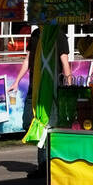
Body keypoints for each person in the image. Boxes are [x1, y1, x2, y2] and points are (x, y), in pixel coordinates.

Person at [21, 25, 71, 176]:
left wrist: (68, 85)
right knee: (27, 122)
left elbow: (65, 62)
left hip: (50, 88)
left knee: (44, 124)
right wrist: (17, 81)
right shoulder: (36, 34)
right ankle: (46, 163)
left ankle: (44, 166)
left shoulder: (58, 34)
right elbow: (28, 59)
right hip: (34, 87)